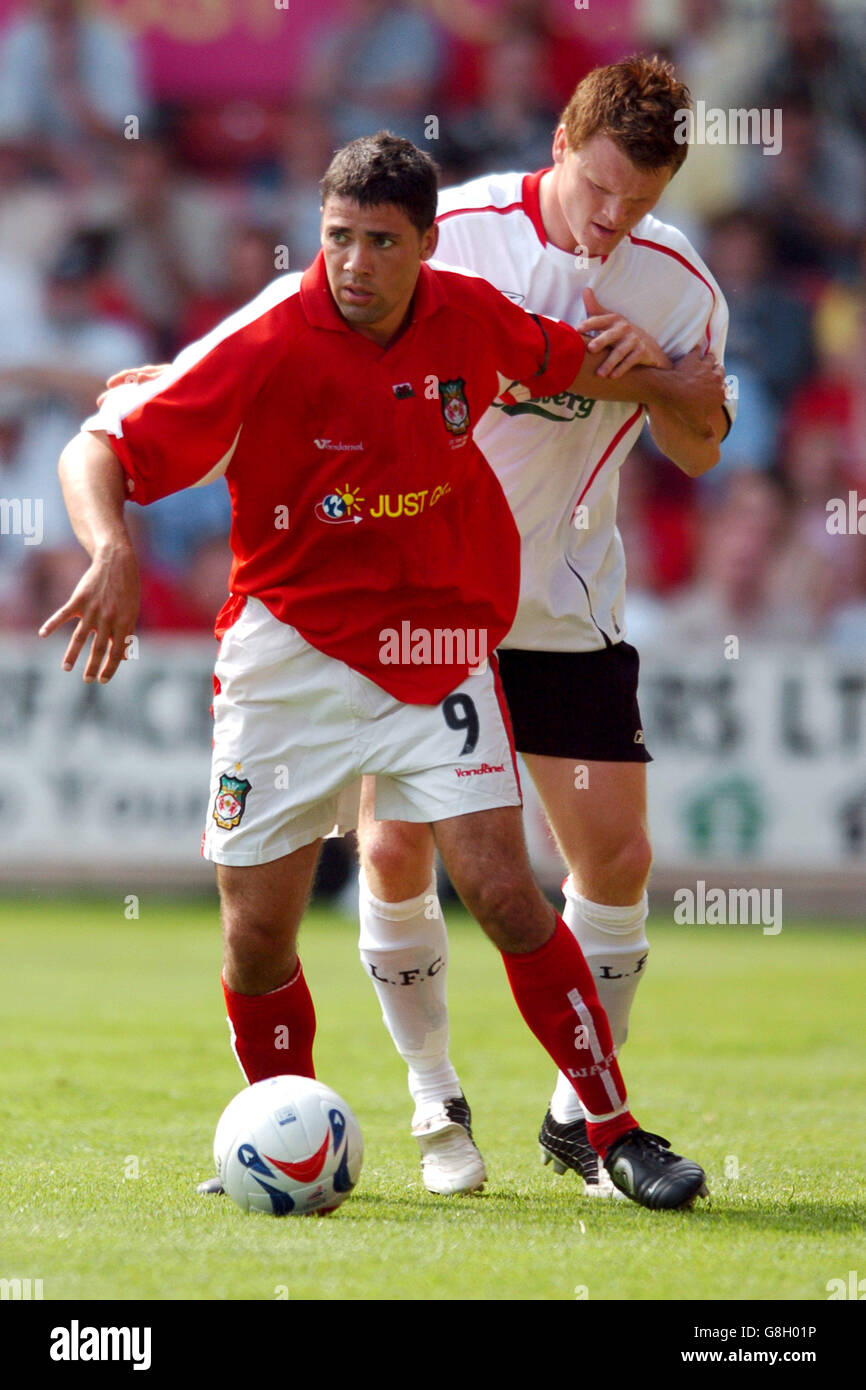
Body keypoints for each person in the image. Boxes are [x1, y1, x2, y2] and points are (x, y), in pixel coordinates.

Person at [41, 133, 722, 1210]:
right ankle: (283, 1130)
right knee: (257, 932)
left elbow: (564, 360)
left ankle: (612, 1129)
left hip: (439, 644)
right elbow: (97, 449)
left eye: (380, 243)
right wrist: (113, 549)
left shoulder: (467, 315)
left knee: (505, 892)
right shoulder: (265, 336)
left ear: (424, 244)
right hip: (288, 653)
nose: (353, 264)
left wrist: (675, 379)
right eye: (337, 238)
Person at [350, 58, 735, 1198]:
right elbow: (336, 356)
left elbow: (703, 442)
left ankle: (580, 1114)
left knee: (613, 855)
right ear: (562, 141)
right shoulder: (453, 234)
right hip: (421, 594)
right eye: (599, 189)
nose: (613, 220)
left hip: (561, 599)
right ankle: (433, 1098)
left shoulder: (677, 286)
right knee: (390, 844)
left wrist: (657, 379)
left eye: (641, 201)